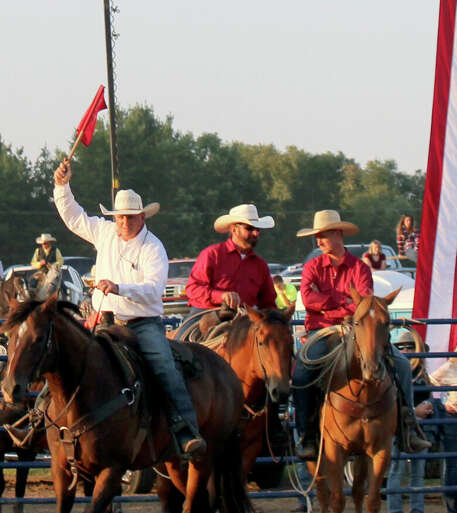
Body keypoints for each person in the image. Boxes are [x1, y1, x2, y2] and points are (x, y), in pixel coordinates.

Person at [52, 158, 207, 458]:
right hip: (104, 321)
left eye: (130, 217)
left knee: (164, 367)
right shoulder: (104, 232)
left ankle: (186, 429)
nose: (124, 222)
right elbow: (73, 216)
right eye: (120, 217)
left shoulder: (153, 248)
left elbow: (154, 289)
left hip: (141, 324)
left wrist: (119, 287)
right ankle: (44, 422)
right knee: (64, 359)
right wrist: (62, 185)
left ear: (142, 218)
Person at [291, 210, 430, 459]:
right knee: (302, 371)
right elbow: (308, 299)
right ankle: (306, 433)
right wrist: (343, 302)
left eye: (323, 236)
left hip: (356, 330)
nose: (319, 241)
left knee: (402, 365)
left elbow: (363, 305)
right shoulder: (312, 266)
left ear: (338, 234)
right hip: (322, 331)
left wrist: (333, 304)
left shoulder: (359, 269)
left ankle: (409, 427)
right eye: (317, 237)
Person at [186, 204, 277, 313]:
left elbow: (268, 302)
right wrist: (221, 296)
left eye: (258, 229)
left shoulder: (260, 265)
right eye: (249, 228)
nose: (256, 233)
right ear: (234, 229)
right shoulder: (212, 254)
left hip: (244, 316)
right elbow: (193, 289)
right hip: (207, 312)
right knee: (186, 330)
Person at [388, 329, 433, 513]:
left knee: (417, 472)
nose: (406, 350)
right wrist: (416, 411)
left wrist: (430, 407)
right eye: (402, 347)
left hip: (419, 426)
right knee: (396, 469)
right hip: (399, 425)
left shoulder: (424, 375)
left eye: (410, 346)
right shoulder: (392, 371)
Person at [430, 340, 457, 513]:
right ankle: (453, 511)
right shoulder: (449, 368)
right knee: (453, 464)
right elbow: (430, 381)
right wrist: (438, 406)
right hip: (453, 418)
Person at [29, 233, 65, 299]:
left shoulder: (55, 250)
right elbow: (33, 262)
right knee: (33, 283)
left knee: (62, 285)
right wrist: (40, 263)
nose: (44, 245)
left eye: (45, 243)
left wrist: (53, 265)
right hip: (42, 272)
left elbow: (61, 261)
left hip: (53, 273)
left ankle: (66, 298)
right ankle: (32, 299)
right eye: (43, 243)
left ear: (49, 243)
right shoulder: (38, 251)